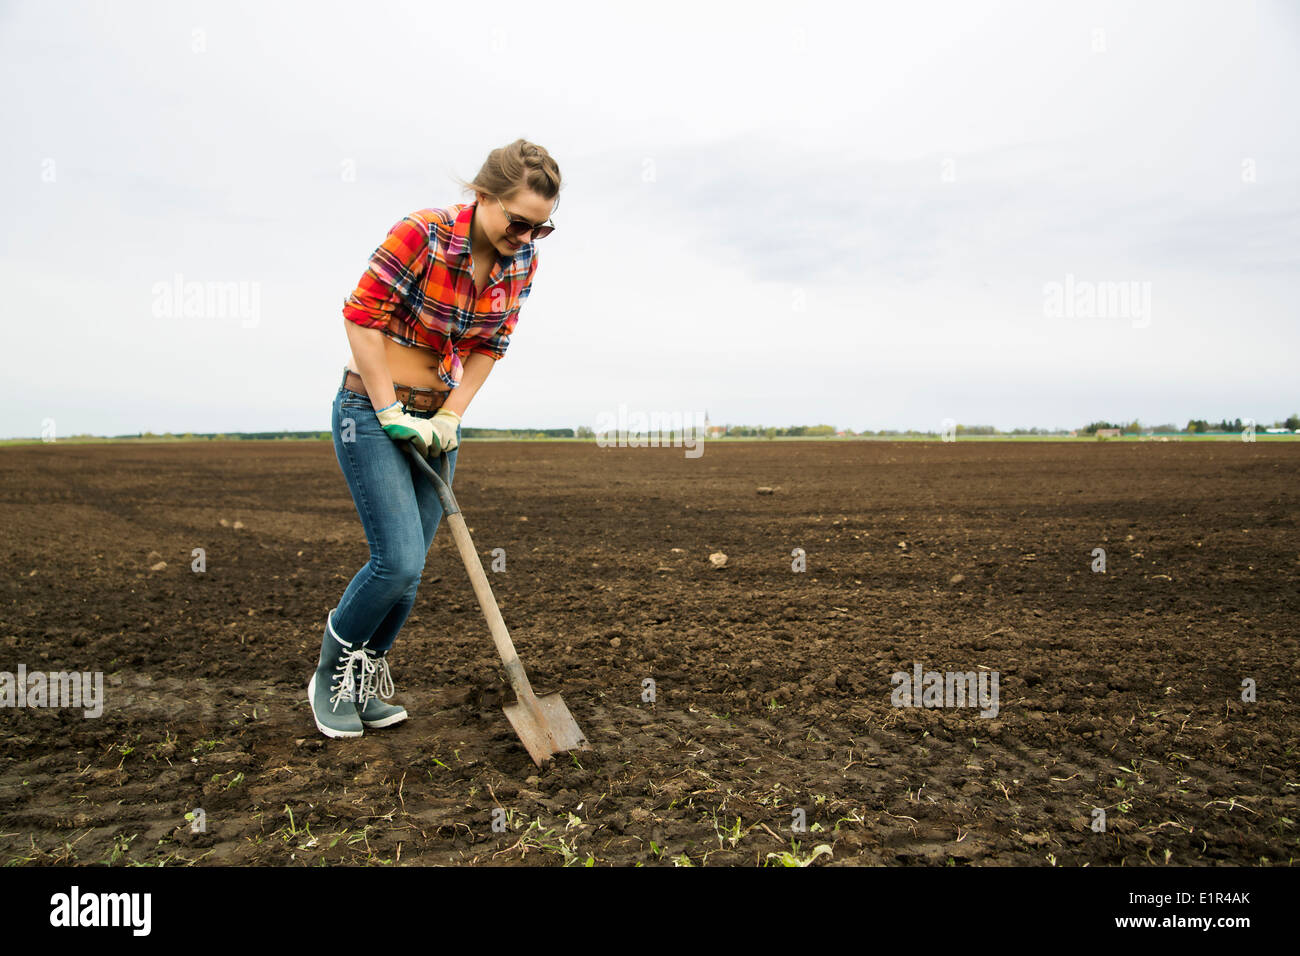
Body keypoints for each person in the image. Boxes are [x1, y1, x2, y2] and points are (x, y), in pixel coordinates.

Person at [309, 139, 561, 738]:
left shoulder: (520, 264)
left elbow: (489, 348)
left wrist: (449, 417)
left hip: (434, 419)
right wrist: (389, 408)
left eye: (541, 230)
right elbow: (359, 316)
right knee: (394, 561)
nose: (524, 238)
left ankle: (366, 673)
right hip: (369, 411)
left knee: (414, 568)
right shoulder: (422, 233)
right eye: (517, 222)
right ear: (483, 195)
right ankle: (330, 676)